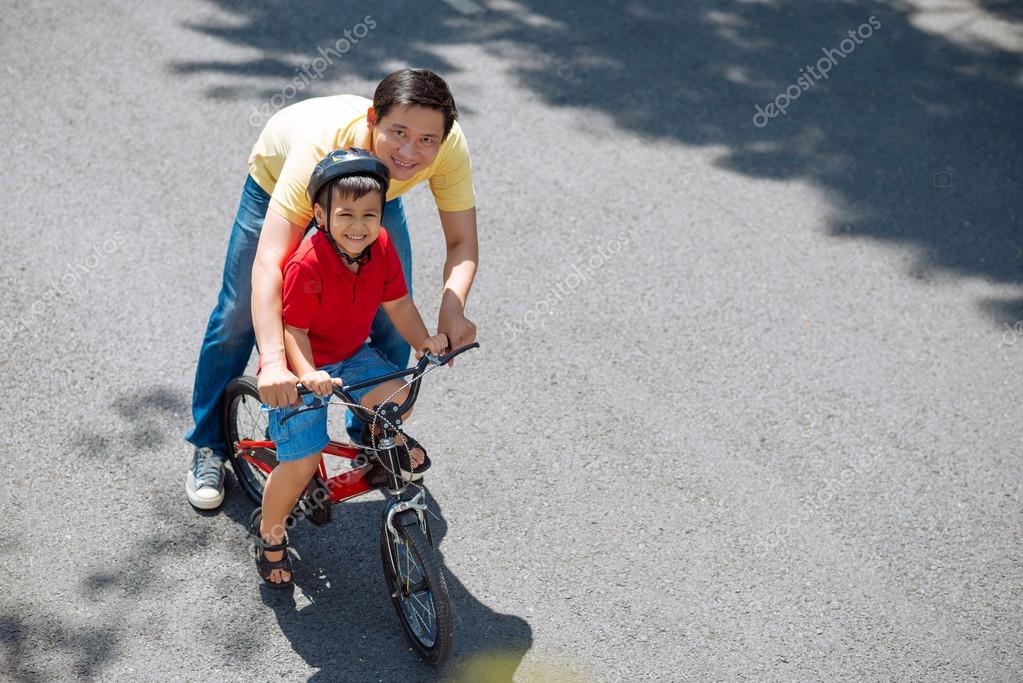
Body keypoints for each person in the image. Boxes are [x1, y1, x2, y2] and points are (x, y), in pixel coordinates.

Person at [185, 68, 478, 510]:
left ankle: (372, 433)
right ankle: (210, 445)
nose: (409, 151)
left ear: (442, 138)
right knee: (238, 316)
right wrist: (273, 363)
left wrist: (452, 310)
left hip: (373, 192)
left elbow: (462, 242)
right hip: (280, 182)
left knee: (393, 311)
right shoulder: (316, 148)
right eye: (397, 131)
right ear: (372, 119)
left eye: (425, 140)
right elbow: (269, 264)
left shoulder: (447, 144)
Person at [253, 148, 448, 586]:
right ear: (320, 216)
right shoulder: (308, 263)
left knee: (396, 399)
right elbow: (294, 331)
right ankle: (269, 536)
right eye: (345, 215)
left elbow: (397, 303)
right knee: (301, 463)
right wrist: (306, 374)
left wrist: (424, 342)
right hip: (302, 364)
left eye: (370, 214)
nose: (358, 227)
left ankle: (378, 451)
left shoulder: (381, 246)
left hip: (350, 354)